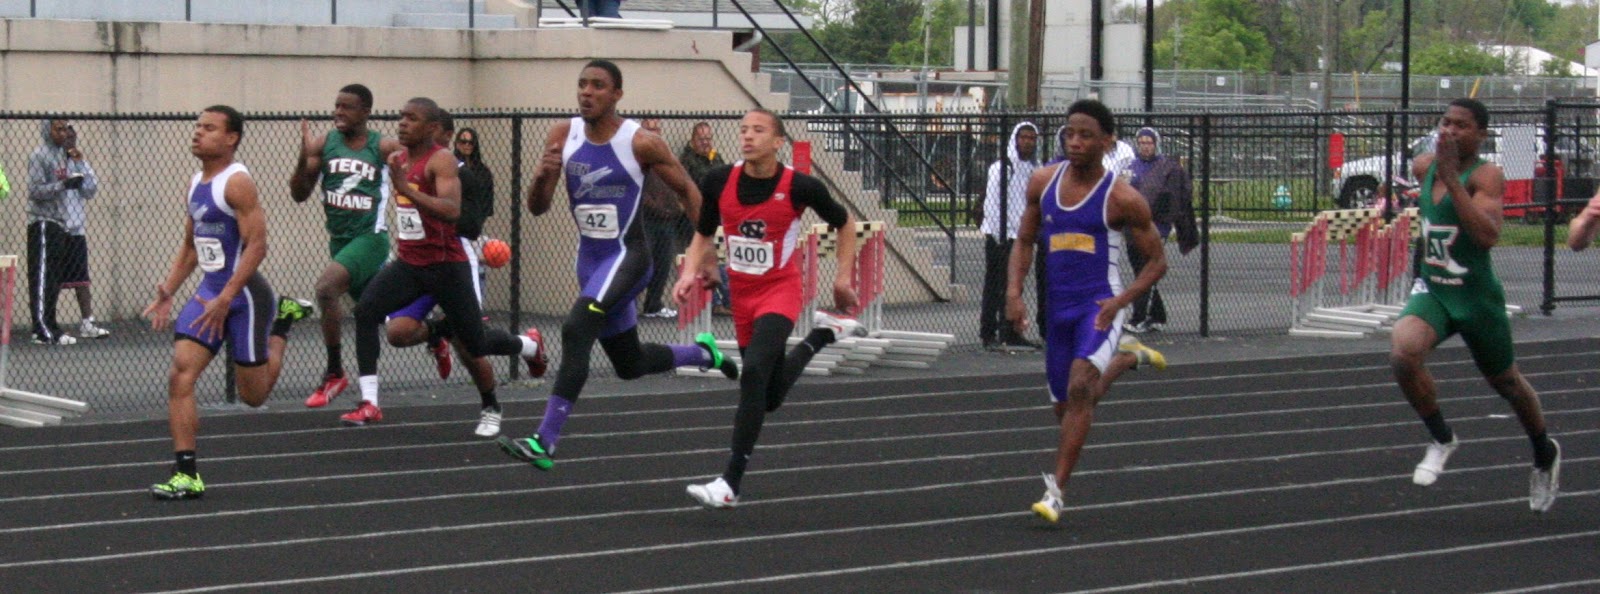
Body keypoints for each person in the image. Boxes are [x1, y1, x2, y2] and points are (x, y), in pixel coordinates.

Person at [497, 59, 738, 471]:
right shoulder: (563, 135)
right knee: (630, 365)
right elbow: (537, 208)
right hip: (589, 262)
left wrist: (708, 255)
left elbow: (689, 191)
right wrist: (540, 177)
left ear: (617, 95)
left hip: (629, 257)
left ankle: (545, 441)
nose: (586, 92)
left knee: (575, 329)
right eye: (582, 85)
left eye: (597, 86)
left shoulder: (641, 142)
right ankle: (703, 354)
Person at [674, 109, 867, 508]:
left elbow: (845, 223)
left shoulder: (800, 187)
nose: (748, 136)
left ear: (779, 142)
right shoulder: (717, 180)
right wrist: (688, 272)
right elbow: (702, 233)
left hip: (780, 291)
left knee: (755, 374)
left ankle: (730, 483)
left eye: (758, 130)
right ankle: (823, 334)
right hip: (742, 295)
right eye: (743, 130)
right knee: (769, 396)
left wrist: (842, 278)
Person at [1392, 98, 1560, 513]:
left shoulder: (1487, 175)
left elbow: (1487, 236)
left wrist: (1451, 179)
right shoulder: (1422, 166)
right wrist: (1436, 174)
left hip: (1475, 296)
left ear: (1480, 134)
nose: (1450, 130)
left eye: (1462, 125)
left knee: (1506, 384)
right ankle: (1441, 437)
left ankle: (1543, 451)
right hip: (1434, 288)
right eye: (1445, 122)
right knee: (1403, 354)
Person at [1008, 100, 1168, 525]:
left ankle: (1055, 491)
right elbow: (1024, 241)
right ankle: (1126, 358)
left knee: (1081, 388)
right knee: (1070, 406)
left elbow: (1157, 262)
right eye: (1069, 133)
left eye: (1085, 135)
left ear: (1107, 141)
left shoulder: (1122, 197)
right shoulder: (1043, 183)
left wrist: (1122, 301)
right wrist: (1014, 293)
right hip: (1057, 310)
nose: (1075, 142)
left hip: (1100, 306)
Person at [341, 97, 545, 428]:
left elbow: (452, 211)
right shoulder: (397, 158)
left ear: (433, 128)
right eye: (401, 116)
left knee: (474, 344)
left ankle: (503, 386)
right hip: (410, 265)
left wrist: (407, 188)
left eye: (412, 118)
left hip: (446, 266)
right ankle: (369, 402)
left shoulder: (442, 161)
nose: (403, 123)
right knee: (366, 311)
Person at [142, 105, 312, 499]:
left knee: (254, 396)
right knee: (180, 374)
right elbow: (190, 244)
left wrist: (228, 296)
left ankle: (283, 322)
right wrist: (169, 288)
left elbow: (258, 245)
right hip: (208, 293)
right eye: (197, 126)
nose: (198, 133)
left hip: (246, 297)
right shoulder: (194, 183)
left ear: (231, 138)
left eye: (209, 128)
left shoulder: (237, 182)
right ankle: (187, 473)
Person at [289, 84, 403, 410]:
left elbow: (419, 164)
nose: (339, 112)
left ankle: (334, 372)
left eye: (347, 107)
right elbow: (299, 194)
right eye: (336, 106)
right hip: (339, 241)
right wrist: (303, 158)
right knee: (391, 323)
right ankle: (436, 333)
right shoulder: (326, 143)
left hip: (370, 239)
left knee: (326, 288)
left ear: (366, 112)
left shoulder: (382, 146)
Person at [27, 119, 103, 345]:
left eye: (67, 131)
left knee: (67, 278)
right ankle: (42, 328)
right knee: (45, 278)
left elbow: (90, 189)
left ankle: (59, 325)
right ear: (47, 131)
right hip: (45, 221)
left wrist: (78, 166)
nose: (64, 135)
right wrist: (63, 185)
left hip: (67, 225)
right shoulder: (40, 156)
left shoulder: (69, 158)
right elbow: (35, 190)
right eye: (58, 129)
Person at [1123, 127, 1198, 334]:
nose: (1146, 146)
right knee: (1140, 271)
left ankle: (1140, 317)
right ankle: (1157, 314)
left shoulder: (1168, 168)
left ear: (1156, 144)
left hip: (1156, 228)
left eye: (1149, 142)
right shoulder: (1131, 166)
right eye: (1142, 143)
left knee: (1148, 270)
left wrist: (1162, 220)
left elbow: (1175, 198)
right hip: (1132, 227)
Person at [980, 122, 1040, 351]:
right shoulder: (1002, 167)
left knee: (1015, 287)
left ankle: (1012, 331)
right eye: (1023, 137)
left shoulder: (1033, 168)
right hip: (1001, 237)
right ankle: (990, 332)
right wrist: (998, 234)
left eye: (1032, 138)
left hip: (1022, 237)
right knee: (996, 285)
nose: (1027, 142)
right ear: (1015, 139)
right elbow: (992, 203)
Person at [678, 121, 732, 316]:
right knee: (704, 257)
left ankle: (726, 299)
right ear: (693, 140)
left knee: (720, 257)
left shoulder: (714, 158)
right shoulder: (687, 160)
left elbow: (725, 178)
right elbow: (698, 182)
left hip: (716, 214)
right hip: (695, 216)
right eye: (701, 139)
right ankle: (714, 300)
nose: (706, 143)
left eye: (708, 139)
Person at [638, 118, 687, 319]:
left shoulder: (666, 156)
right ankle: (629, 306)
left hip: (667, 220)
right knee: (642, 263)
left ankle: (654, 305)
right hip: (646, 220)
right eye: (648, 128)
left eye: (656, 128)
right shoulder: (638, 157)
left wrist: (675, 208)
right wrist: (657, 208)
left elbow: (680, 183)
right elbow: (640, 192)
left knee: (663, 263)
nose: (653, 132)